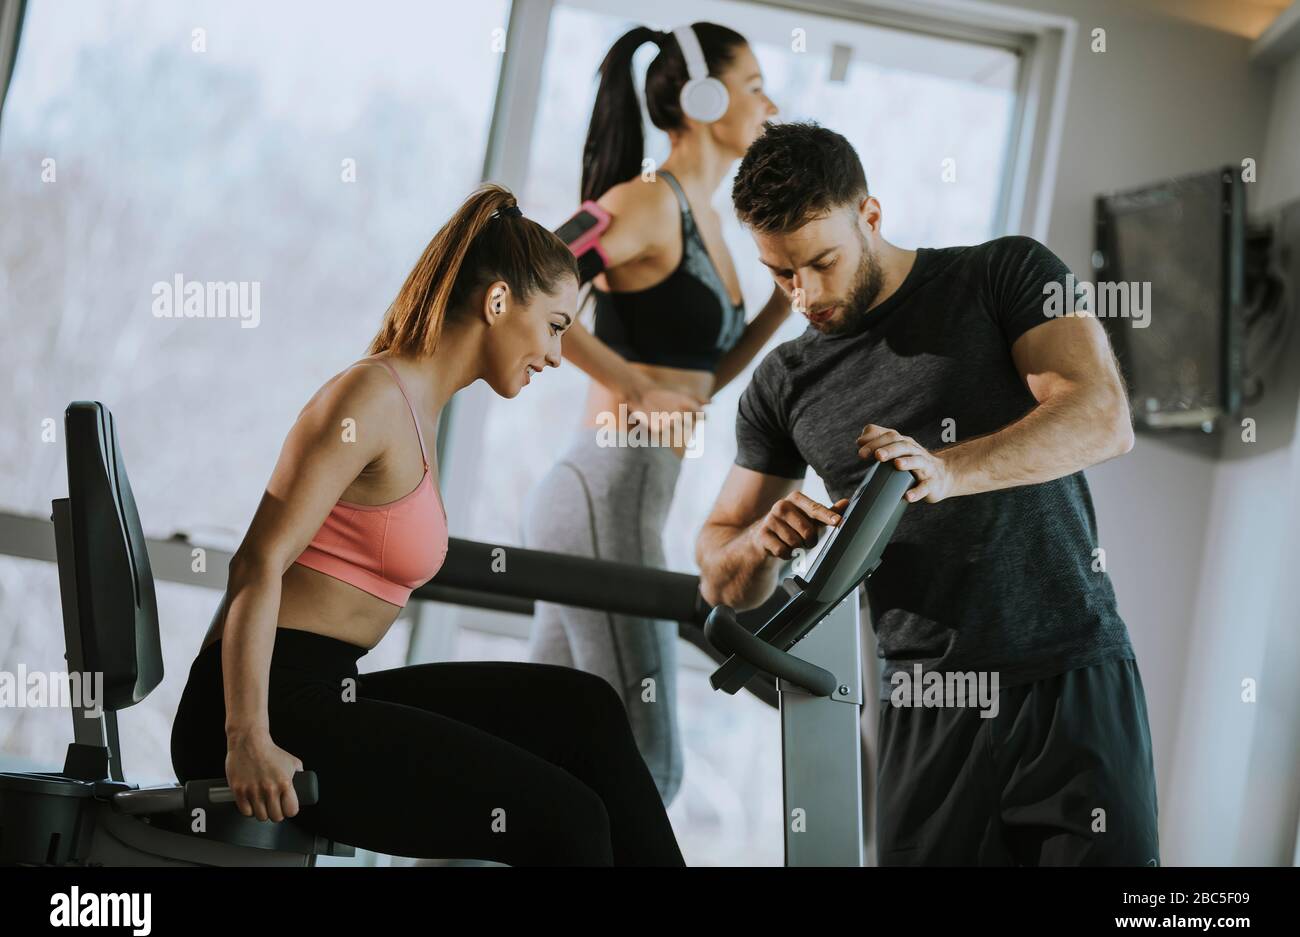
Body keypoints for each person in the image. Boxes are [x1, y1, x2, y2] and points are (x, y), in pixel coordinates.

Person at [170, 185, 685, 867]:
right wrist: (245, 737)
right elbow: (255, 565)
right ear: (498, 302)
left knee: (583, 708)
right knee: (569, 821)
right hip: (259, 707)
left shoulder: (421, 406)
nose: (558, 355)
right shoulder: (371, 396)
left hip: (322, 687)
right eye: (556, 326)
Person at [697, 121, 1160, 866]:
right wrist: (761, 544)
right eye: (782, 274)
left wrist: (947, 469)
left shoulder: (1001, 275)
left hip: (1067, 666)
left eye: (822, 262)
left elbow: (1101, 417)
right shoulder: (784, 383)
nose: (804, 294)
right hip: (924, 702)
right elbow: (720, 573)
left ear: (870, 216)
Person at [523, 22, 788, 805]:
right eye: (753, 85)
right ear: (703, 98)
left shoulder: (711, 219)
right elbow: (531, 280)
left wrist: (779, 307)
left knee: (530, 753)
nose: (769, 102)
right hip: (606, 484)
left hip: (624, 494)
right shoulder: (644, 201)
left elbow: (701, 379)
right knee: (649, 764)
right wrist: (636, 388)